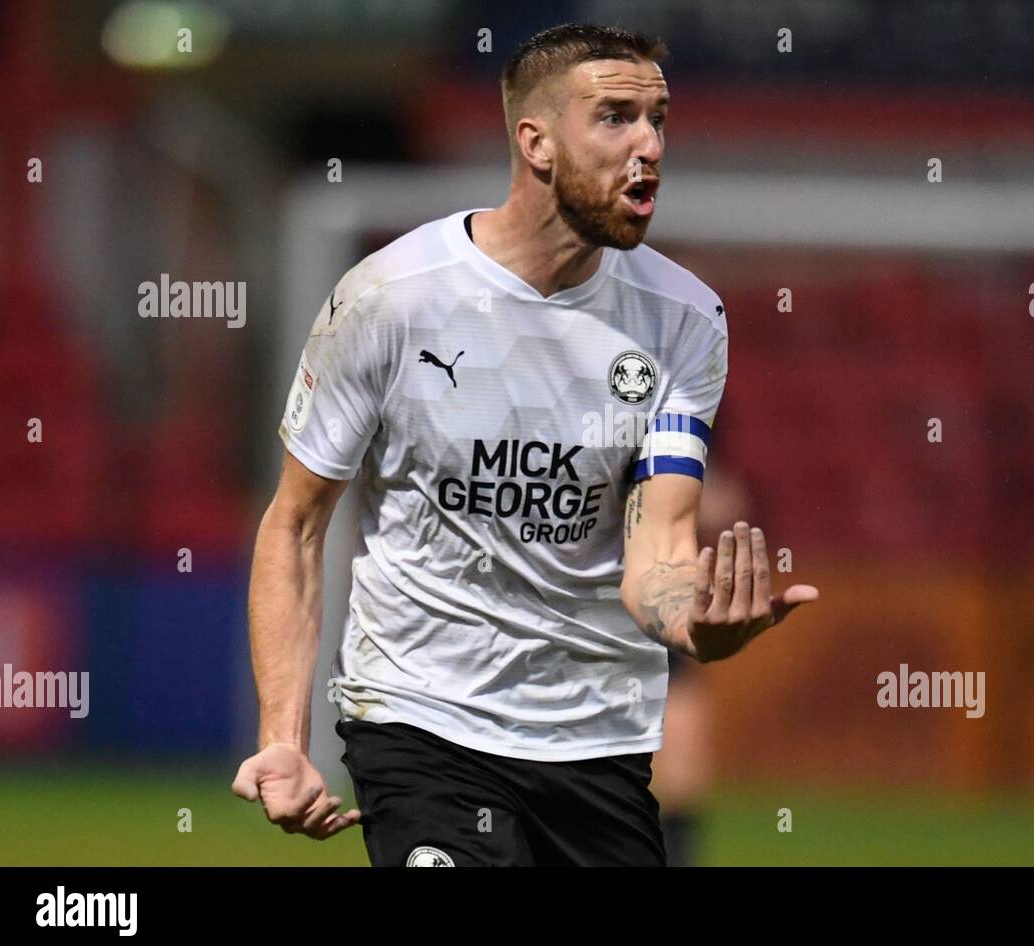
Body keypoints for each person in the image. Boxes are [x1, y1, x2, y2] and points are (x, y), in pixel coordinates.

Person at [231, 22, 819, 866]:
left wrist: (695, 623)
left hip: (596, 737)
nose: (649, 145)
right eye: (615, 116)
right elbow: (294, 523)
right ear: (534, 142)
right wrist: (284, 736)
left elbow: (657, 550)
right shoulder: (390, 298)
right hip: (420, 720)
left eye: (658, 118)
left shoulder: (685, 320)